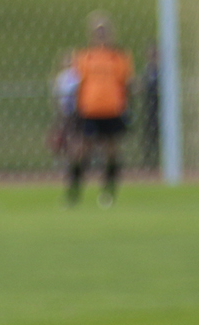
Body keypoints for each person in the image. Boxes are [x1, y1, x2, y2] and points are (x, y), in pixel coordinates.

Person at [68, 12, 135, 207]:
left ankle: (109, 192)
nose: (101, 35)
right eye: (98, 31)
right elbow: (76, 84)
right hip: (89, 110)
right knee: (81, 150)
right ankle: (74, 192)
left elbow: (126, 84)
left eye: (104, 31)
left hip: (112, 110)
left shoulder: (119, 57)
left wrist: (128, 106)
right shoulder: (84, 57)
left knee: (111, 151)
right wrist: (74, 110)